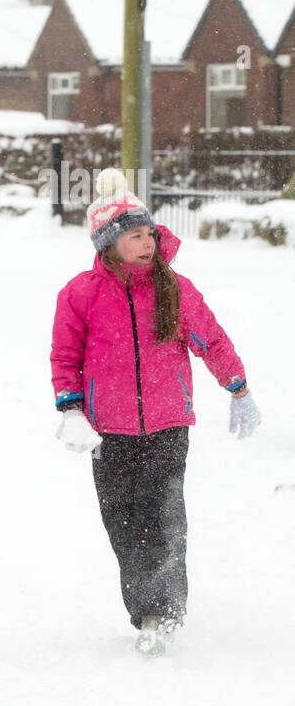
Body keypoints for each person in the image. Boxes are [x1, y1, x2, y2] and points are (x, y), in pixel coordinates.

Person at [50, 169, 260, 657]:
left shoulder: (174, 288)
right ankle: (142, 607)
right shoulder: (80, 294)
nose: (147, 243)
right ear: (108, 244)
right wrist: (70, 409)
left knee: (165, 519)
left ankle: (162, 614)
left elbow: (212, 340)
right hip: (109, 431)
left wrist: (239, 387)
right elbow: (66, 357)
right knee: (123, 523)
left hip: (167, 425)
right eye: (133, 236)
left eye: (149, 233)